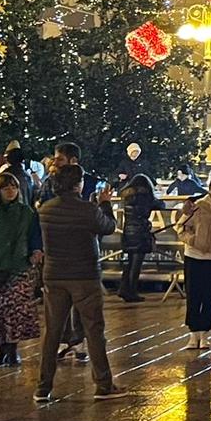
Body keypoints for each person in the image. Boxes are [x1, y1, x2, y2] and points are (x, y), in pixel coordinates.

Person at [36, 167, 123, 401]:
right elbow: (108, 227)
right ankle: (103, 384)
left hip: (54, 275)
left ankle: (43, 387)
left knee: (52, 331)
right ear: (78, 184)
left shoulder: (45, 210)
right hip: (84, 276)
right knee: (94, 330)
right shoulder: (87, 209)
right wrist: (106, 204)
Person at [0, 171, 43, 365]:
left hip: (19, 267)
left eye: (13, 187)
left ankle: (12, 349)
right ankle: (2, 349)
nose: (10, 191)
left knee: (13, 311)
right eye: (6, 188)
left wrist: (35, 251)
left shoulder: (26, 213)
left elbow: (34, 235)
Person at [177, 175, 211, 349]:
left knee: (209, 296)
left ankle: (205, 333)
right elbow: (182, 226)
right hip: (194, 255)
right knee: (193, 294)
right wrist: (193, 241)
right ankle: (193, 333)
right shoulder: (199, 205)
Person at [117, 174, 164, 302]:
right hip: (140, 232)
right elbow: (160, 205)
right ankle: (131, 291)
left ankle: (123, 288)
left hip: (128, 231)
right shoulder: (145, 196)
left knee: (130, 262)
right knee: (136, 264)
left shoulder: (126, 195)